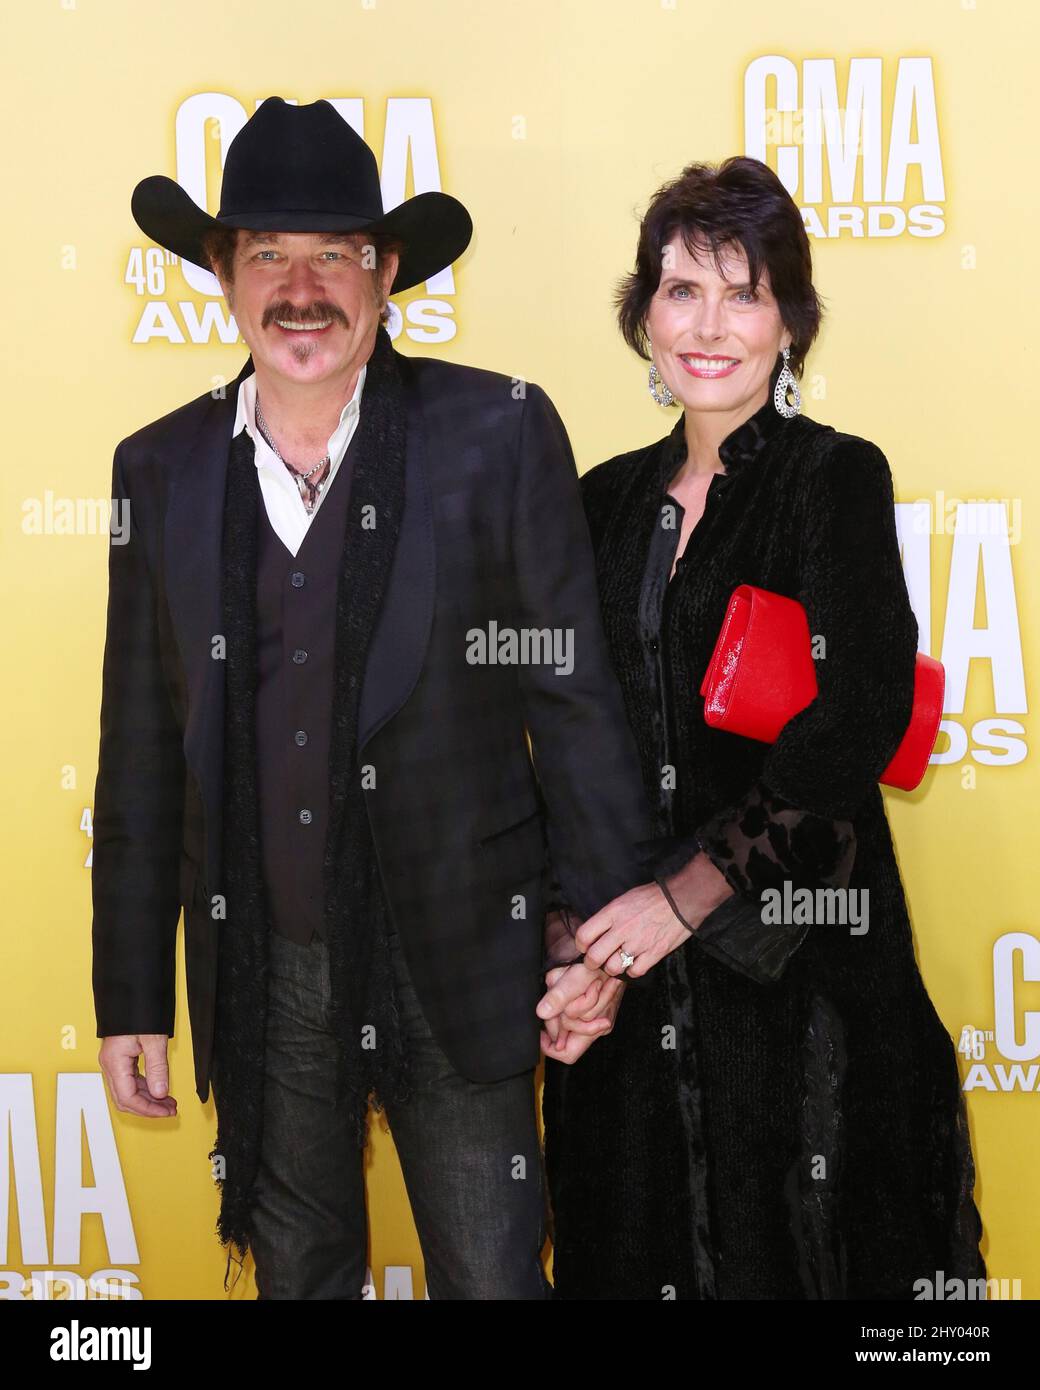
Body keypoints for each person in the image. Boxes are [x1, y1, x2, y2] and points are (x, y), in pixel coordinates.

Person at [91, 96, 653, 1299]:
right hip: (266, 959)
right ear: (221, 276)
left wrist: (598, 940)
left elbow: (573, 702)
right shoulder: (160, 465)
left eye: (335, 255)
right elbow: (140, 750)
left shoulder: (491, 433)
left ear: (386, 272)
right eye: (267, 257)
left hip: (464, 943)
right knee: (298, 1275)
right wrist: (131, 993)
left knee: (496, 1275)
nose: (302, 288)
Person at [537, 156, 986, 1300]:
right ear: (641, 317)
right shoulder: (598, 502)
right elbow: (564, 744)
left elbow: (857, 716)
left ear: (789, 322)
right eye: (681, 290)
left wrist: (679, 899)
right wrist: (575, 950)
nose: (708, 325)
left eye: (743, 292)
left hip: (799, 974)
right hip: (639, 1002)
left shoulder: (830, 479)